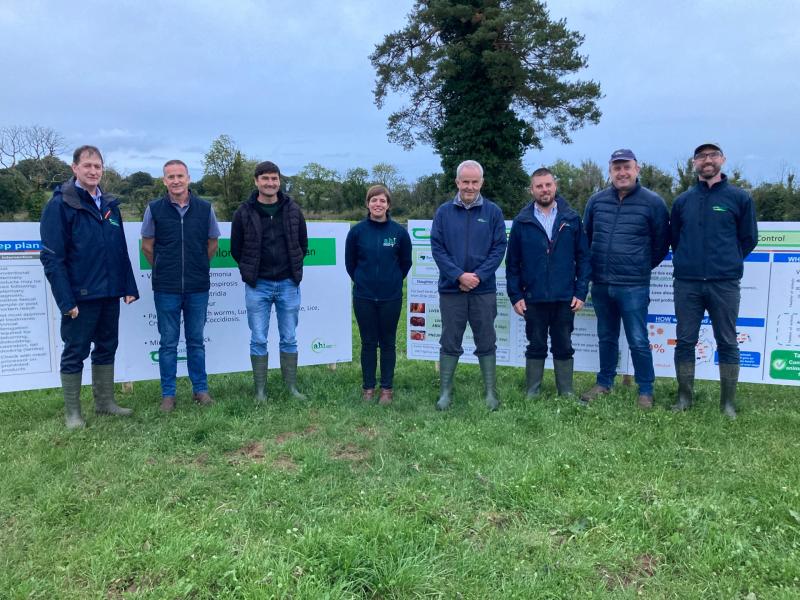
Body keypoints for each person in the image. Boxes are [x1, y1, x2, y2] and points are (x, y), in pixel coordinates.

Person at [40, 145, 139, 428]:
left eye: (97, 166)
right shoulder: (61, 205)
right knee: (75, 351)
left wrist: (128, 286)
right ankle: (73, 413)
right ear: (75, 168)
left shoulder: (110, 204)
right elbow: (52, 258)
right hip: (80, 296)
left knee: (107, 346)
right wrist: (66, 300)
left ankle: (105, 403)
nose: (93, 171)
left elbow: (120, 248)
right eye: (87, 166)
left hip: (109, 292)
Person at [670, 143, 758, 419]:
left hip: (724, 283)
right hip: (688, 283)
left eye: (712, 155)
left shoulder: (739, 198)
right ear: (694, 163)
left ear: (722, 159)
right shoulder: (682, 201)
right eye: (701, 156)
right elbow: (675, 239)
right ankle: (684, 398)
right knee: (685, 341)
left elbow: (749, 239)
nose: (707, 160)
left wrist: (727, 261)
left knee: (728, 342)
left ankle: (727, 404)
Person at [581, 149, 670, 408]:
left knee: (638, 340)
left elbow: (661, 244)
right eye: (617, 168)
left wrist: (640, 266)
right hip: (601, 283)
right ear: (610, 171)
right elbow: (587, 238)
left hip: (634, 285)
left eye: (626, 167)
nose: (622, 173)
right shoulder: (596, 201)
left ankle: (646, 389)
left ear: (636, 169)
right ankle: (604, 382)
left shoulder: (653, 202)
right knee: (606, 337)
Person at [141, 160, 220, 412]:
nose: (176, 180)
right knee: (168, 343)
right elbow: (147, 246)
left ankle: (200, 390)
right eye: (170, 176)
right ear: (164, 181)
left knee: (196, 341)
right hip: (166, 287)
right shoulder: (154, 209)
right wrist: (163, 267)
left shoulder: (205, 208)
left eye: (180, 176)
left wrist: (197, 265)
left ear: (188, 178)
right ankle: (168, 395)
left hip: (197, 286)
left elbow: (212, 244)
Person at [506, 167, 590, 399]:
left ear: (555, 186)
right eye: (539, 186)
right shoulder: (522, 221)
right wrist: (515, 295)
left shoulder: (572, 218)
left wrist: (581, 292)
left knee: (564, 345)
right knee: (536, 345)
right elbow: (512, 263)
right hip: (533, 297)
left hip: (565, 297)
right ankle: (532, 391)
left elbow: (584, 258)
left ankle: (566, 392)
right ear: (532, 190)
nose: (544, 189)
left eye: (548, 185)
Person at [430, 159, 507, 411]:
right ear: (457, 182)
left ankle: (490, 392)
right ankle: (445, 392)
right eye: (465, 181)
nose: (470, 187)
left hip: (483, 290)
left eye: (475, 182)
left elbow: (499, 248)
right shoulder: (443, 212)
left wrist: (477, 277)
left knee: (486, 339)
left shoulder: (493, 212)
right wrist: (458, 276)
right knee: (450, 340)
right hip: (451, 289)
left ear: (482, 183)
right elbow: (437, 248)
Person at [231, 161, 308, 401]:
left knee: (289, 338)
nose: (270, 183)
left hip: (288, 284)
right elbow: (236, 249)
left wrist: (291, 271)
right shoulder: (243, 212)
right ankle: (260, 391)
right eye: (265, 178)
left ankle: (291, 388)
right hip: (258, 285)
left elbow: (302, 245)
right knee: (258, 339)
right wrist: (251, 271)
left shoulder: (293, 210)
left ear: (279, 181)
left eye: (274, 178)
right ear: (256, 181)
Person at [345, 185, 412, 405]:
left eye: (382, 200)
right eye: (374, 200)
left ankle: (386, 388)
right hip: (363, 296)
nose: (378, 204)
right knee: (368, 343)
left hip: (390, 297)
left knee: (388, 343)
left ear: (388, 205)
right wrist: (362, 280)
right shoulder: (357, 232)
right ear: (367, 204)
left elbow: (405, 263)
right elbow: (350, 263)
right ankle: (368, 388)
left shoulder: (399, 233)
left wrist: (392, 280)